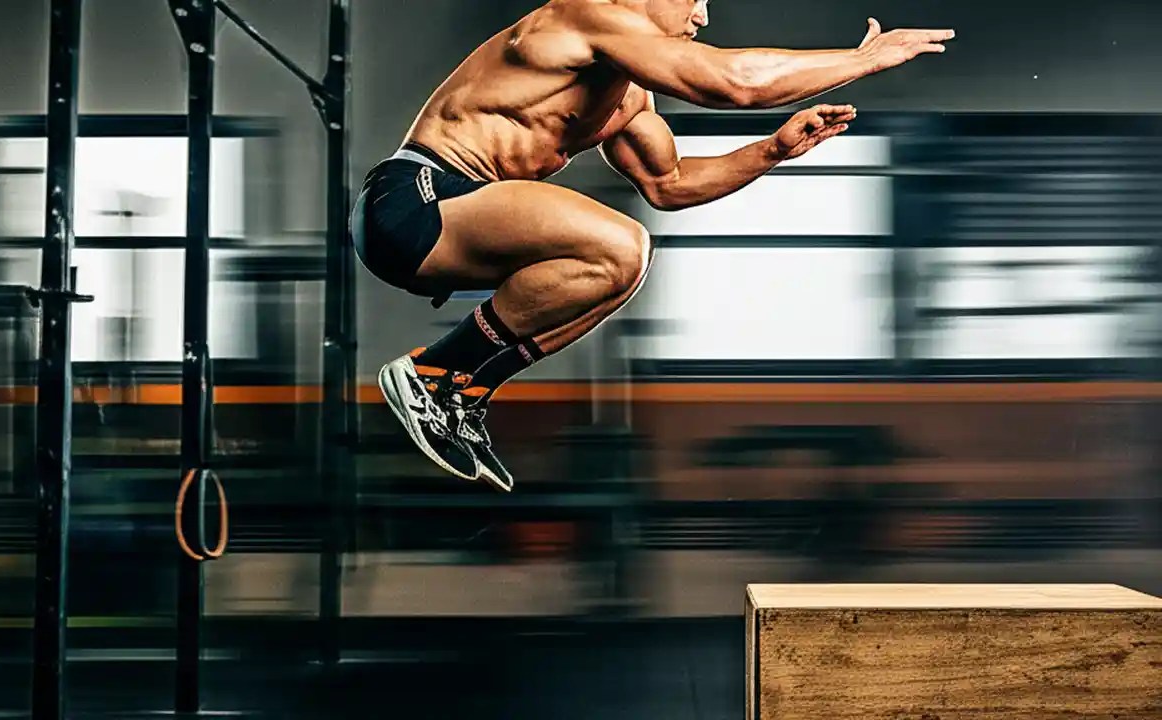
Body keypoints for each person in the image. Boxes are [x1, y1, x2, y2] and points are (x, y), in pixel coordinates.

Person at [350, 0, 954, 492]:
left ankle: (460, 391)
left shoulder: (629, 97)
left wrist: (770, 152)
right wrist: (863, 60)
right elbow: (733, 82)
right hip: (415, 202)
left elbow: (669, 185)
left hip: (458, 223)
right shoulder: (580, 19)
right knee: (617, 244)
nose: (703, 18)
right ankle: (434, 372)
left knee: (624, 265)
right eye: (695, 1)